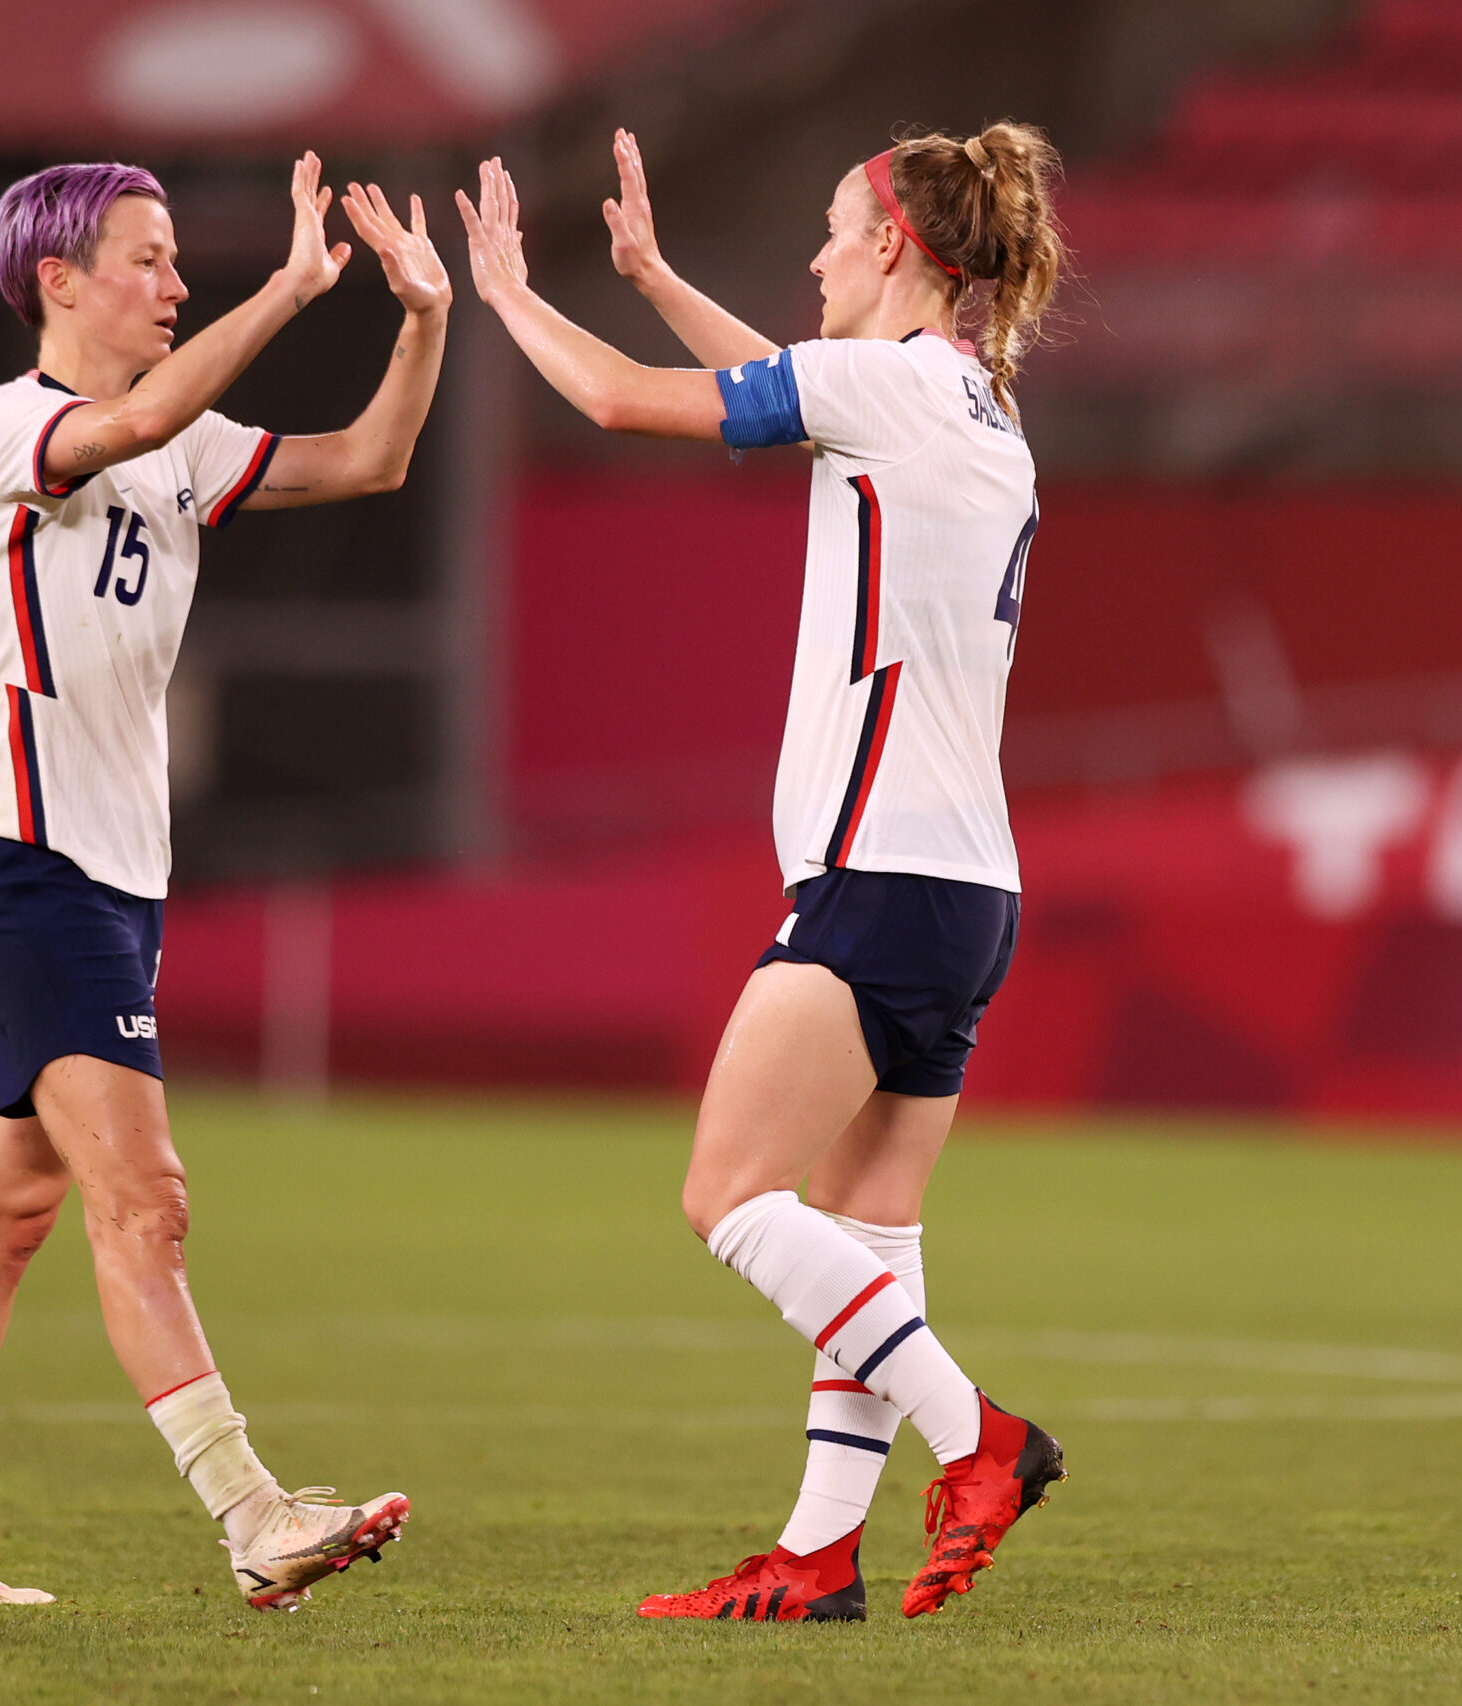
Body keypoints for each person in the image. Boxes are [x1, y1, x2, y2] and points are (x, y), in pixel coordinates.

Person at [453, 124, 1069, 1622]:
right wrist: (658, 276)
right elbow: (794, 395)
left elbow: (610, 399)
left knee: (728, 1190)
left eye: (828, 228)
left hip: (874, 871)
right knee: (865, 1240)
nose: (810, 257)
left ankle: (977, 1433)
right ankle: (817, 1553)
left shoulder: (885, 389)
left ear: (893, 250)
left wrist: (509, 295)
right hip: (969, 886)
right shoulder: (978, 405)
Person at [0, 152, 450, 1612]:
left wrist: (420, 319)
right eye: (151, 258)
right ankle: (250, 1511)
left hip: (114, 879)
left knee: (6, 1218)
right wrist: (298, 287)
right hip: (25, 864)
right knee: (148, 1198)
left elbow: (369, 460)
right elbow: (147, 417)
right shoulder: (7, 429)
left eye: (183, 262)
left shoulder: (172, 440)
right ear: (60, 281)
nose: (177, 284)